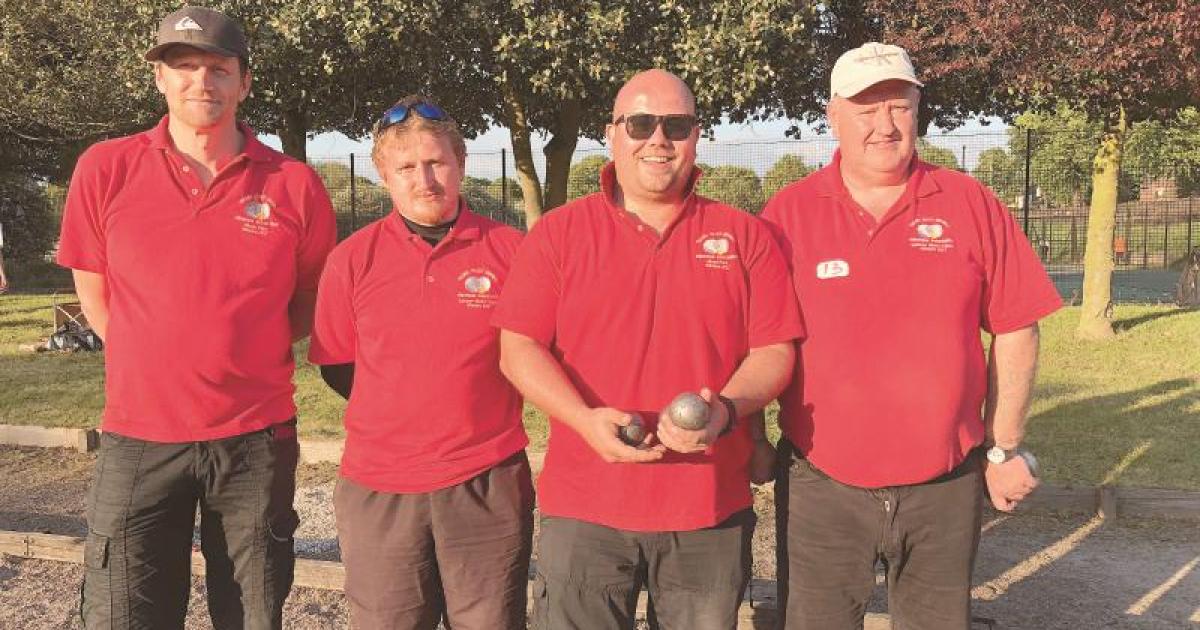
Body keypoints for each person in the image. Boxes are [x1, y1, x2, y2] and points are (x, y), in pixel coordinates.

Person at [760, 42, 1063, 630]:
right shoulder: (788, 215)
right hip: (823, 484)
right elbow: (753, 342)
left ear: (918, 108)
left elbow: (1017, 327)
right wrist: (749, 434)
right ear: (833, 117)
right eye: (866, 109)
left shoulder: (971, 203)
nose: (884, 125)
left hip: (943, 487)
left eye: (898, 106)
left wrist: (1001, 449)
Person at [492, 69, 804, 629]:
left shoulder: (744, 235)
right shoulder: (560, 234)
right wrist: (584, 421)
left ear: (696, 135)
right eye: (641, 123)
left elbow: (775, 352)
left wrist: (726, 411)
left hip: (707, 507)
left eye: (676, 125)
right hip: (585, 505)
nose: (658, 139)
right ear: (612, 133)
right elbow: (518, 348)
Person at [56, 7, 336, 628]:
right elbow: (96, 294)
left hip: (255, 441)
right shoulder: (105, 168)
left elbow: (310, 297)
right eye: (182, 66)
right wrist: (153, 353)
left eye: (217, 67)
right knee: (125, 613)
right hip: (138, 437)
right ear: (159, 78)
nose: (200, 81)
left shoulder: (294, 184)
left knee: (254, 612)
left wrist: (238, 345)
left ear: (244, 82)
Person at [308, 96, 532, 629]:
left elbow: (537, 355)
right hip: (381, 487)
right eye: (406, 167)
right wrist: (407, 409)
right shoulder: (351, 259)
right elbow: (337, 366)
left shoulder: (512, 251)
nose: (424, 179)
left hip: (487, 479)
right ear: (385, 174)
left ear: (460, 163)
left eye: (436, 162)